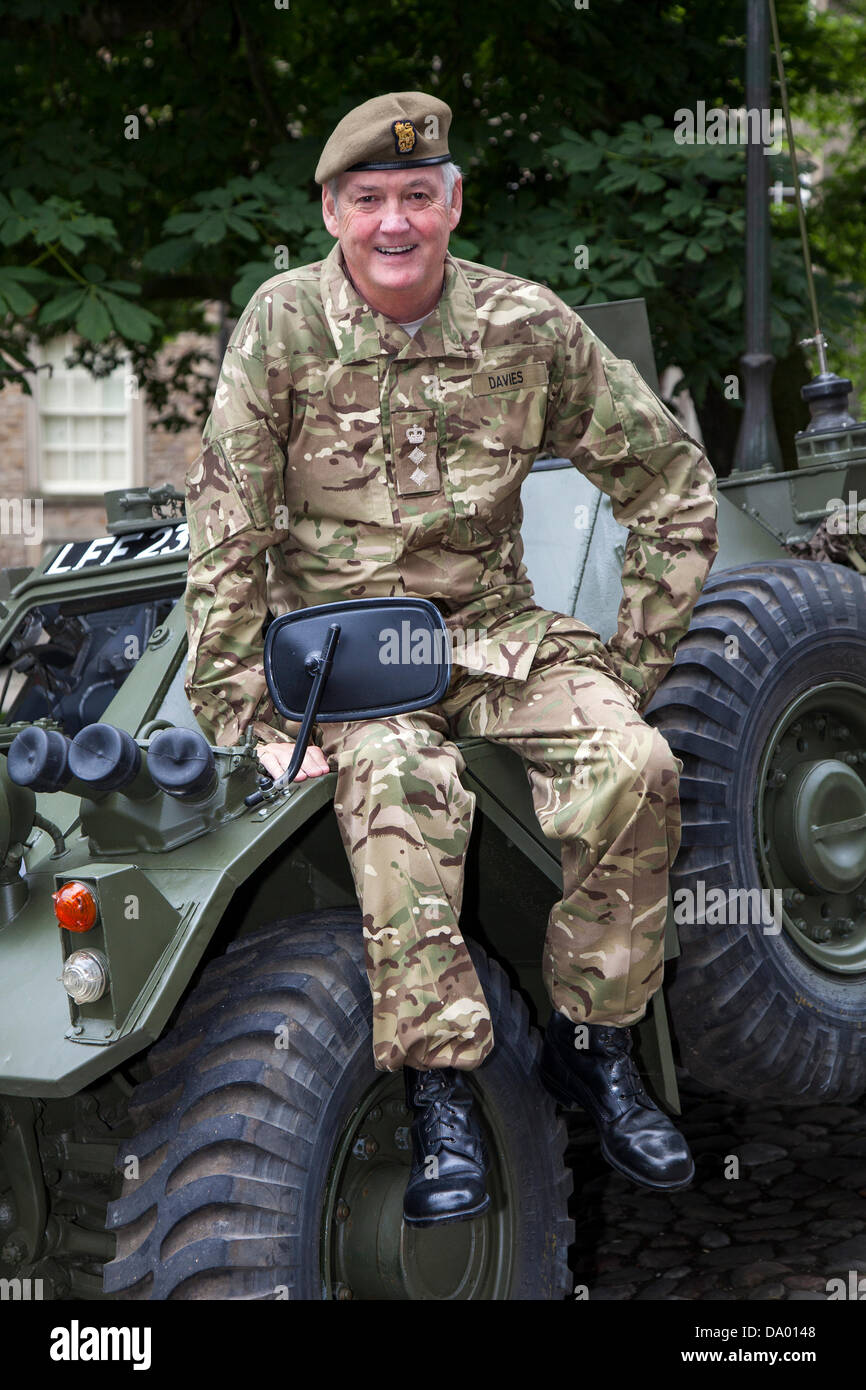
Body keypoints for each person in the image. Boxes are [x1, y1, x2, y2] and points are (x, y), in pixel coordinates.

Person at [184, 90, 719, 1227]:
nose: (393, 223)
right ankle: (439, 1086)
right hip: (346, 658)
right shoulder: (282, 326)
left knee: (636, 765)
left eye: (415, 197)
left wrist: (631, 659)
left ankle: (594, 1040)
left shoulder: (525, 326)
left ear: (452, 202)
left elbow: (666, 480)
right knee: (399, 787)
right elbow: (228, 521)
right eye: (368, 199)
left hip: (493, 632)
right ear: (330, 209)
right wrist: (248, 712)